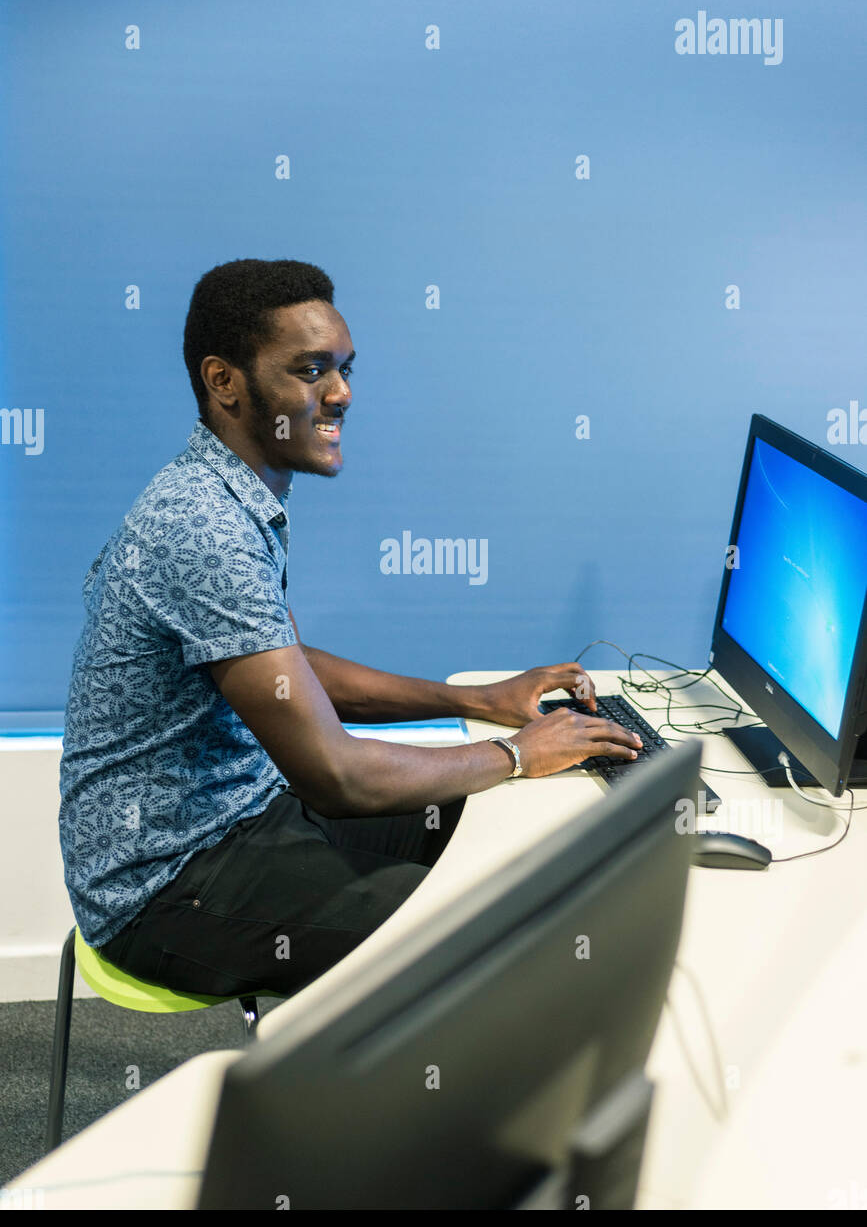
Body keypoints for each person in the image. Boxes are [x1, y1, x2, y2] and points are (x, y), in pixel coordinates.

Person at [58, 258, 642, 998]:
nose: (340, 394)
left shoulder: (233, 493)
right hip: (165, 887)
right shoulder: (200, 525)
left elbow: (288, 670)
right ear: (224, 381)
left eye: (343, 368)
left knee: (499, 833)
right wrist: (517, 752)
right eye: (310, 370)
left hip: (247, 812)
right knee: (485, 938)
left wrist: (478, 700)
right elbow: (333, 777)